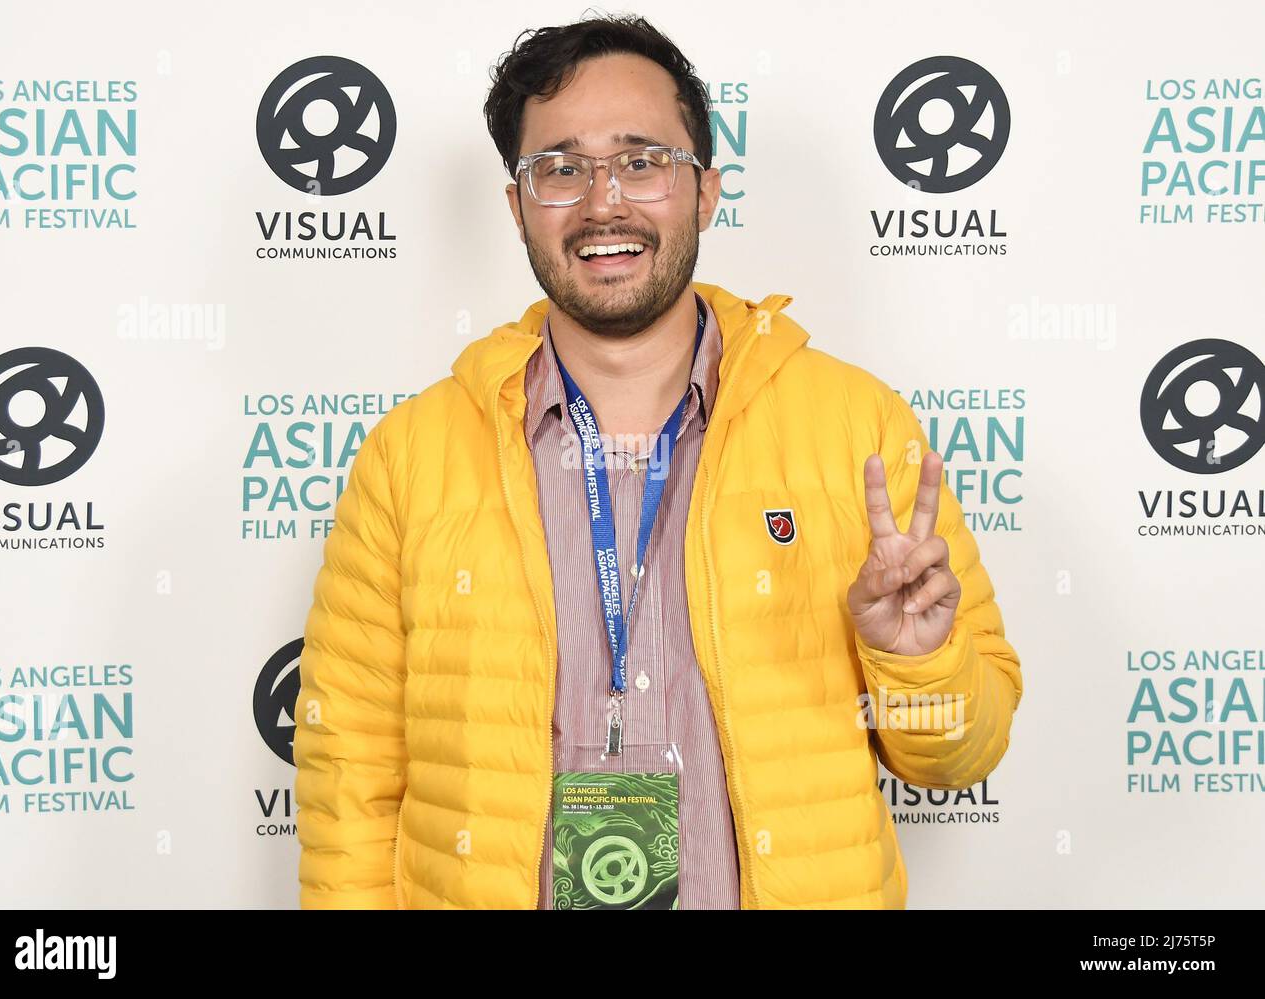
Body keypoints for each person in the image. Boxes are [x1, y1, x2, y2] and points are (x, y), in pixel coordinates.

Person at [292, 13, 1023, 910]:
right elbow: (348, 778)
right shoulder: (412, 458)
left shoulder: (855, 427)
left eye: (642, 160)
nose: (604, 201)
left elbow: (960, 750)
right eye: (560, 167)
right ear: (518, 205)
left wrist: (915, 661)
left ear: (707, 191)